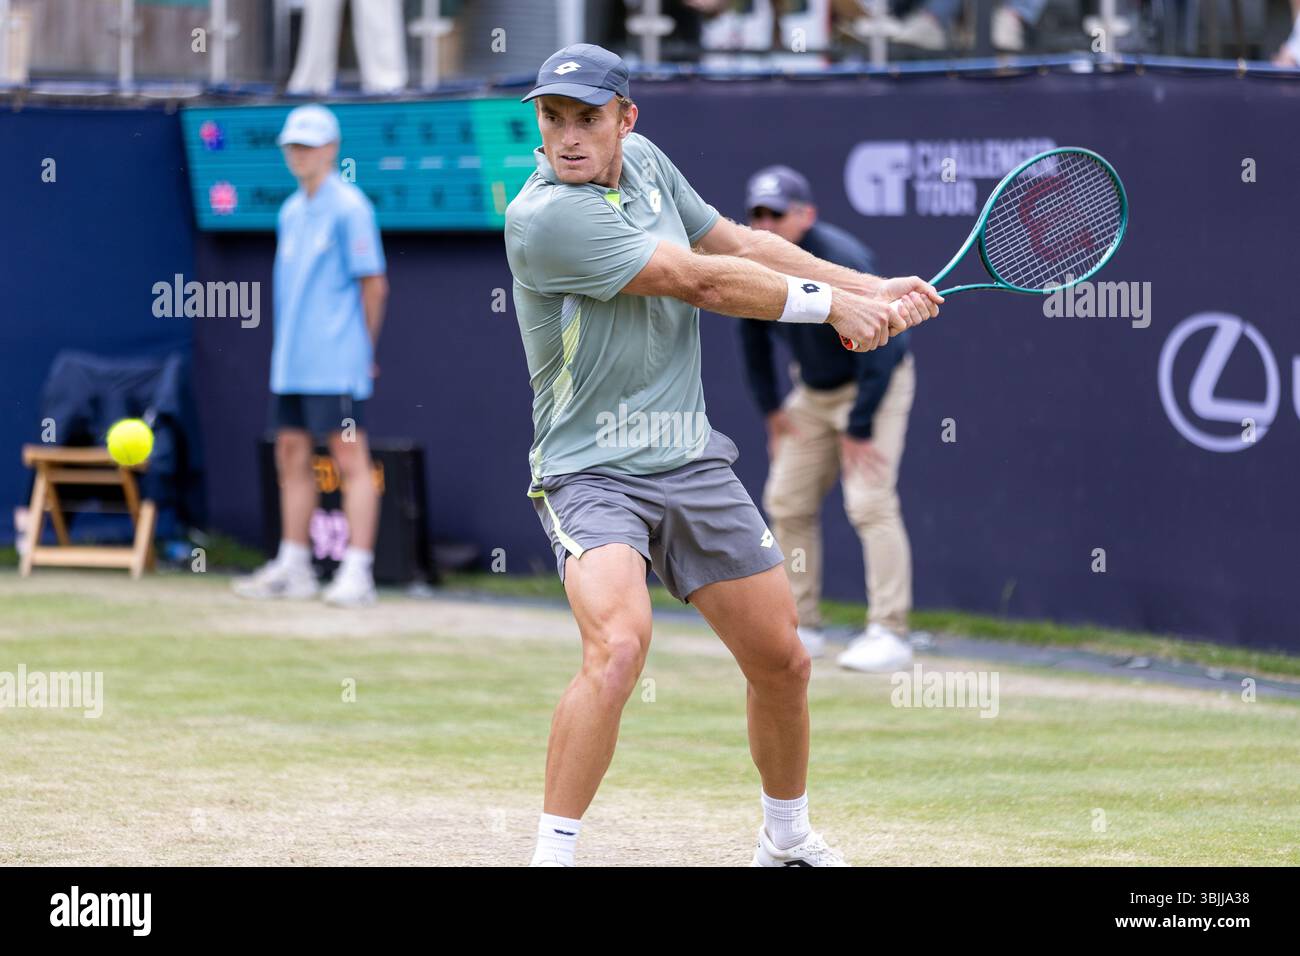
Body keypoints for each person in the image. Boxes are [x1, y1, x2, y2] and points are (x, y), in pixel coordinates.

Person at [504, 43, 941, 866]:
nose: (567, 136)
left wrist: (867, 287)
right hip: (589, 471)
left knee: (781, 659)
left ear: (625, 121)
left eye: (587, 118)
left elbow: (736, 245)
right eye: (552, 118)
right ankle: (552, 857)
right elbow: (697, 280)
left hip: (689, 460)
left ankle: (785, 841)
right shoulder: (544, 218)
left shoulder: (650, 166)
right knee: (620, 645)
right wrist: (834, 309)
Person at [739, 166, 917, 673]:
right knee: (786, 502)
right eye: (757, 214)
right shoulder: (753, 262)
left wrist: (859, 429)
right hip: (812, 394)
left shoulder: (840, 258)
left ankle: (890, 632)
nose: (765, 223)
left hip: (872, 387)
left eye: (777, 213)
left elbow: (886, 352)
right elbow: (751, 344)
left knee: (869, 503)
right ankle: (803, 627)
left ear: (806, 215)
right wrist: (773, 412)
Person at [234, 104, 389, 608]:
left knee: (349, 458)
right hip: (292, 364)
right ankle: (294, 564)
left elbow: (375, 285)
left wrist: (362, 349)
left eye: (308, 145)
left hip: (337, 362)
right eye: (292, 146)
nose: (299, 154)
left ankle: (358, 571)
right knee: (290, 455)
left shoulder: (351, 208)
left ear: (331, 149)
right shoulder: (290, 211)